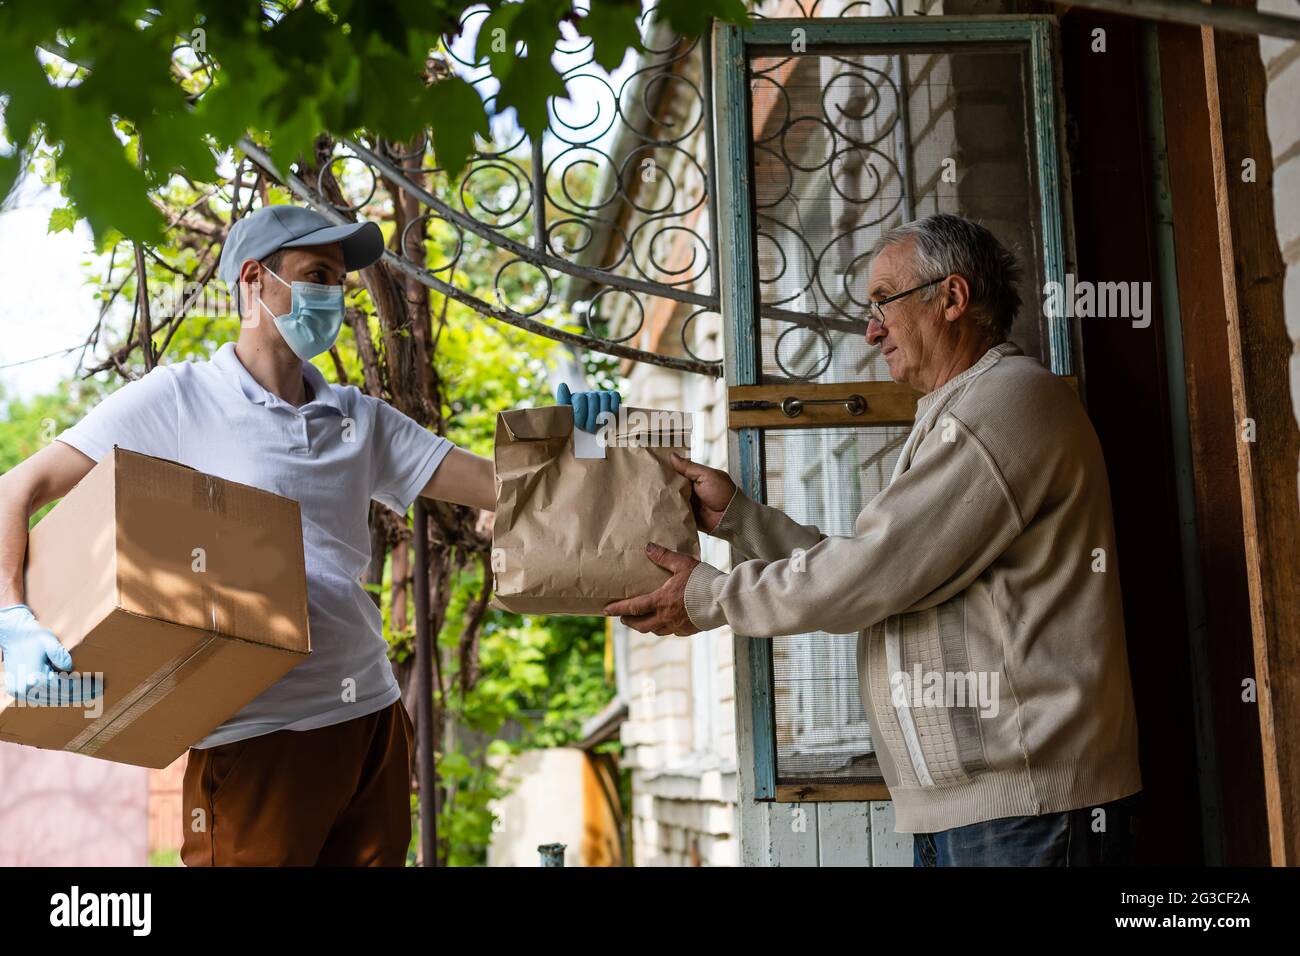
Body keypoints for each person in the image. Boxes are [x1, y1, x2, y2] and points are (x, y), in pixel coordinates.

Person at [0, 204, 618, 866]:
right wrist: (12, 615)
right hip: (258, 735)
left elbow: (500, 484)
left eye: (341, 282)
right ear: (255, 279)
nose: (334, 296)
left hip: (371, 723)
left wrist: (580, 442)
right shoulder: (180, 399)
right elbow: (18, 487)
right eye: (317, 274)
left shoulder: (357, 418)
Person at [606, 213, 1143, 866]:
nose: (870, 328)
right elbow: (886, 567)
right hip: (987, 810)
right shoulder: (969, 407)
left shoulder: (1001, 406)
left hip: (1029, 811)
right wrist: (741, 520)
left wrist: (712, 597)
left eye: (883, 300)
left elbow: (873, 573)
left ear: (952, 297)